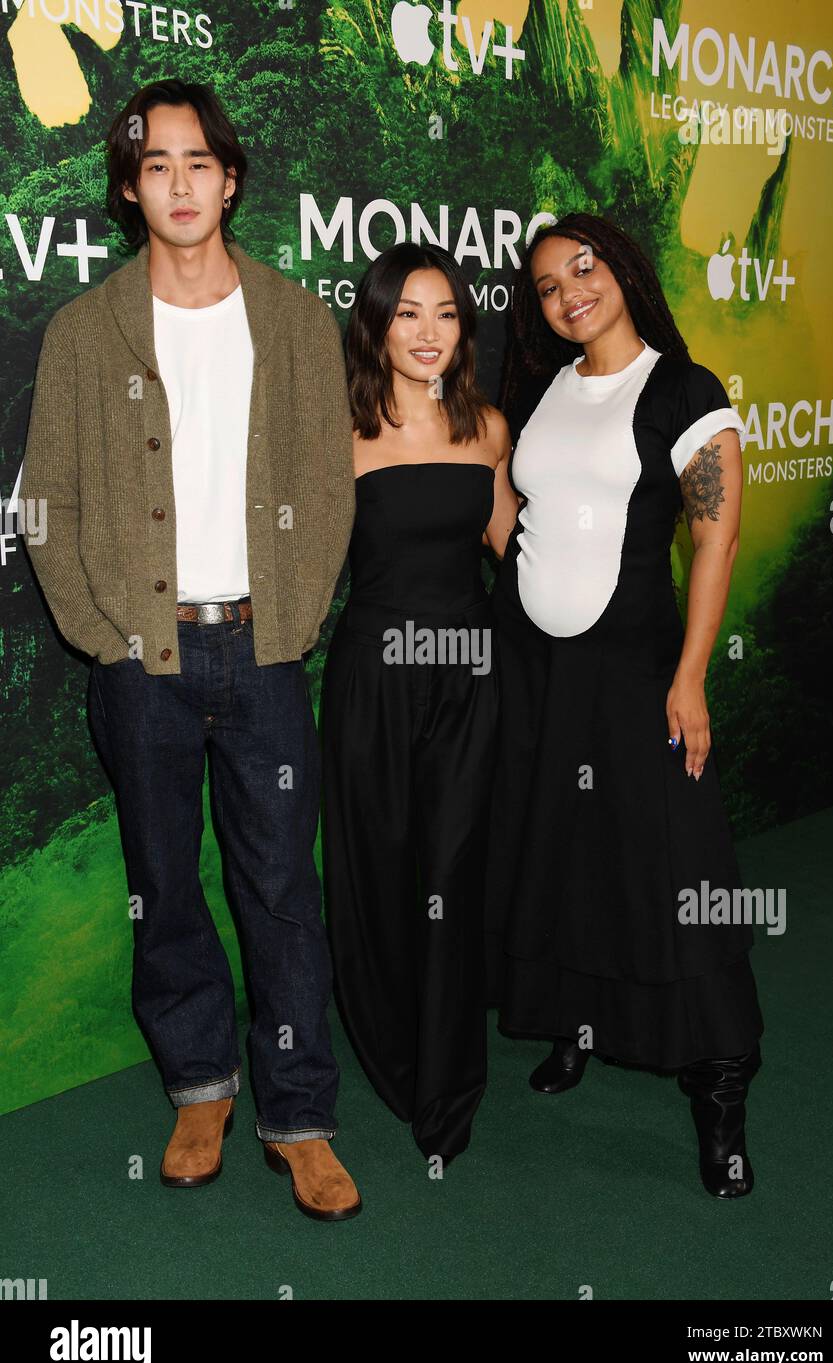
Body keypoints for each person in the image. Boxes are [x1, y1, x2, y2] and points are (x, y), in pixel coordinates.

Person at [20, 79, 361, 1221]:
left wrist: (297, 619)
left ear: (231, 179)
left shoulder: (296, 320)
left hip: (262, 653)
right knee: (163, 887)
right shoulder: (86, 330)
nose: (180, 183)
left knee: (280, 891)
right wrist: (100, 632)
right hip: (141, 666)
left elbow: (325, 484)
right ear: (130, 186)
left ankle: (299, 1113)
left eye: (199, 162)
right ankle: (201, 1085)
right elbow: (46, 502)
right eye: (156, 164)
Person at [485, 212, 764, 1199]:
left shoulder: (686, 391)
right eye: (550, 286)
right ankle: (577, 1027)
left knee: (673, 864)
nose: (570, 293)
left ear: (623, 271)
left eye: (585, 269)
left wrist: (690, 676)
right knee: (559, 852)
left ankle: (723, 1089)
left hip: (638, 669)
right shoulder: (540, 389)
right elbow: (517, 508)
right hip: (537, 673)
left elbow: (715, 540)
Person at [319, 242, 517, 1166]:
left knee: (453, 872)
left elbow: (513, 550)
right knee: (377, 869)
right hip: (374, 677)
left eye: (445, 312)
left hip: (467, 675)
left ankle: (448, 1078)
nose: (428, 331)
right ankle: (393, 1051)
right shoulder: (338, 431)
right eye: (407, 312)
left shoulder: (489, 429)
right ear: (376, 324)